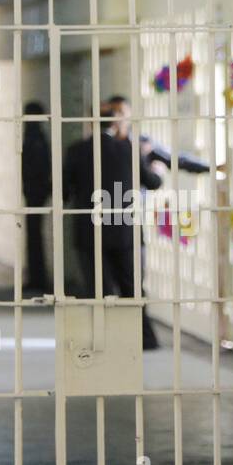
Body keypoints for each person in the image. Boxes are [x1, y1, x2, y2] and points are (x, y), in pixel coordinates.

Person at [63, 98, 166, 349]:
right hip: (124, 229)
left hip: (90, 231)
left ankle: (105, 340)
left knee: (98, 289)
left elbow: (63, 192)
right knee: (132, 288)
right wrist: (159, 171)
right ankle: (145, 339)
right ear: (115, 122)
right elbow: (152, 182)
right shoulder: (129, 150)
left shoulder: (77, 150)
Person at [21, 101, 53, 296]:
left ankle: (38, 278)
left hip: (35, 192)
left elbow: (37, 167)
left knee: (34, 236)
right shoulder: (38, 137)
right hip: (36, 191)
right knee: (34, 236)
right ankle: (36, 277)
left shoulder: (34, 138)